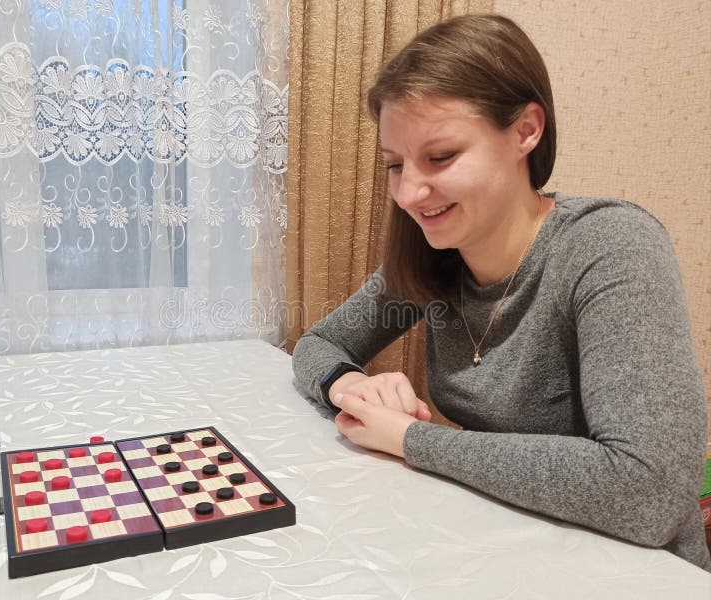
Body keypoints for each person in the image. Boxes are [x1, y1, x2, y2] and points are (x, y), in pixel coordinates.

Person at [291, 14, 710, 571]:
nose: (409, 193)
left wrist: (412, 439)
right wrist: (351, 387)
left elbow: (650, 493)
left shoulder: (609, 246)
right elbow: (318, 344)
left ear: (525, 131)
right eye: (395, 165)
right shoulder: (433, 256)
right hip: (507, 547)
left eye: (441, 157)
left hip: (632, 570)